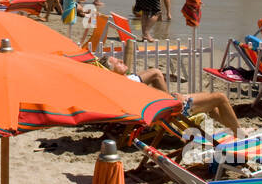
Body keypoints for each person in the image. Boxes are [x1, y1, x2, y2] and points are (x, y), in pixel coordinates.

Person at [102, 57, 241, 136]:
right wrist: (171, 101)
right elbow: (155, 73)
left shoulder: (120, 84)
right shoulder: (125, 83)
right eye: (118, 63)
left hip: (159, 106)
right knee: (220, 97)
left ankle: (233, 128)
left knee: (209, 100)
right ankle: (240, 135)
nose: (121, 60)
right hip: (168, 112)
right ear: (110, 71)